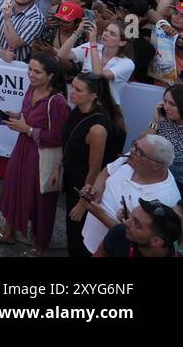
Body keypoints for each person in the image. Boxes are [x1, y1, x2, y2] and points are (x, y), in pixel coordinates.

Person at [0, 52, 69, 254]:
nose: (30, 74)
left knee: (41, 203)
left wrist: (28, 130)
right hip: (22, 149)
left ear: (51, 76)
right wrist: (18, 117)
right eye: (30, 69)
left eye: (37, 71)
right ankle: (8, 234)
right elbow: (29, 116)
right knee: (13, 189)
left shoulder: (57, 102)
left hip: (40, 156)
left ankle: (39, 249)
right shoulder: (32, 88)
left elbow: (59, 137)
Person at [74, 133, 180, 256]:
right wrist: (96, 191)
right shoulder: (131, 158)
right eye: (134, 145)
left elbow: (145, 239)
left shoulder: (165, 200)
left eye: (140, 152)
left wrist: (101, 215)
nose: (132, 151)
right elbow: (107, 171)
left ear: (157, 165)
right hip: (90, 236)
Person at [58, 71, 126, 258]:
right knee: (72, 233)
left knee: (78, 237)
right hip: (72, 180)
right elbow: (68, 143)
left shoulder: (97, 128)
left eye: (79, 90)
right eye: (73, 87)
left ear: (94, 95)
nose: (72, 92)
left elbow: (95, 170)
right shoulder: (77, 110)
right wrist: (59, 168)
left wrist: (83, 203)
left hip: (84, 188)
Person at [95, 198, 181, 257]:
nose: (127, 222)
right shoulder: (120, 233)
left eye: (137, 224)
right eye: (131, 216)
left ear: (156, 241)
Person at [146, 83, 183, 190]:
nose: (166, 107)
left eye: (172, 104)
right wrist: (154, 122)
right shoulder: (164, 119)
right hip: (155, 174)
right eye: (165, 101)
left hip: (177, 183)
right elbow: (144, 144)